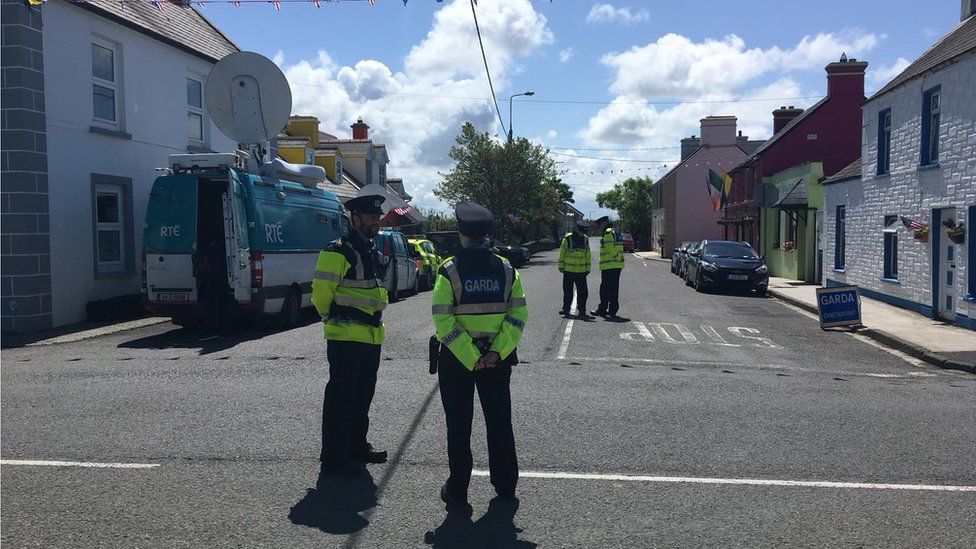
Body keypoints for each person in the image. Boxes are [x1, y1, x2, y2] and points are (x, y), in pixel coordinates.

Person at [431, 202, 528, 511]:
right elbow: (518, 315)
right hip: (497, 361)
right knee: (499, 423)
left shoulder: (448, 270)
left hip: (458, 361)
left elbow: (443, 321)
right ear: (487, 235)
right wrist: (497, 351)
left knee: (459, 425)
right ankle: (506, 487)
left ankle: (458, 489)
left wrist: (471, 356)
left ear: (461, 234)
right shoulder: (507, 269)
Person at [311, 192, 390, 478]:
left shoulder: (368, 249)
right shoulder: (337, 250)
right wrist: (331, 318)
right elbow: (321, 294)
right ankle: (334, 457)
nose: (375, 221)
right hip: (345, 337)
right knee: (341, 399)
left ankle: (357, 447)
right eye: (370, 217)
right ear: (353, 218)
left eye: (377, 217)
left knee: (362, 397)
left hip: (371, 337)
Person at [590, 216, 625, 319]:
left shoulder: (607, 234)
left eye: (600, 224)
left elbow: (611, 250)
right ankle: (613, 310)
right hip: (617, 265)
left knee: (605, 289)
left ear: (604, 223)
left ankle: (602, 310)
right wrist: (620, 258)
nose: (599, 227)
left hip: (609, 265)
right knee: (614, 288)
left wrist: (617, 257)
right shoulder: (616, 232)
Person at [557, 219, 592, 319]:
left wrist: (588, 268)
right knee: (568, 292)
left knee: (583, 293)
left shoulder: (585, 239)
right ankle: (566, 310)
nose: (582, 233)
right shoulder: (567, 238)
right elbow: (562, 252)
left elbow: (587, 255)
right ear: (577, 229)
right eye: (581, 230)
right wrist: (560, 265)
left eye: (583, 231)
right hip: (568, 270)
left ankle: (582, 311)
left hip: (581, 271)